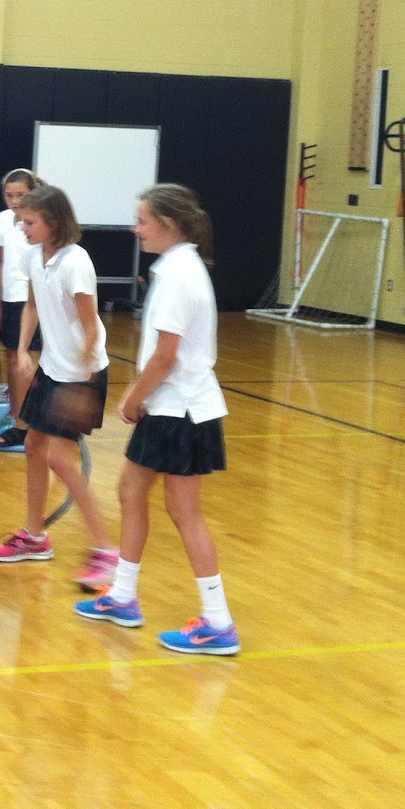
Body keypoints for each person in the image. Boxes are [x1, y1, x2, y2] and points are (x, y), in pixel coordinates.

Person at [75, 183, 239, 657]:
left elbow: (166, 356)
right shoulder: (181, 268)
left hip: (179, 407)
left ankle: (217, 622)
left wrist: (131, 397)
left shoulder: (177, 275)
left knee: (184, 512)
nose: (135, 229)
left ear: (168, 225)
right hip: (177, 406)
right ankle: (124, 596)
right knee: (130, 490)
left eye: (142, 220)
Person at [0, 185, 117, 590]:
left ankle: (105, 551)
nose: (21, 227)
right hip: (53, 368)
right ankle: (35, 537)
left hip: (82, 373)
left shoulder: (75, 262)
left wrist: (82, 377)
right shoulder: (34, 255)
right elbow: (30, 306)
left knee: (61, 459)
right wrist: (23, 351)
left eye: (29, 221)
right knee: (32, 446)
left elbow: (91, 324)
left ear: (53, 223)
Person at [0, 169, 44, 448]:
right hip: (10, 296)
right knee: (12, 357)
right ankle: (14, 412)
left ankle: (25, 419)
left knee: (22, 360)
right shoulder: (3, 219)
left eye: (21, 194)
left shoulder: (40, 221)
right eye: (10, 195)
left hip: (30, 300)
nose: (15, 200)